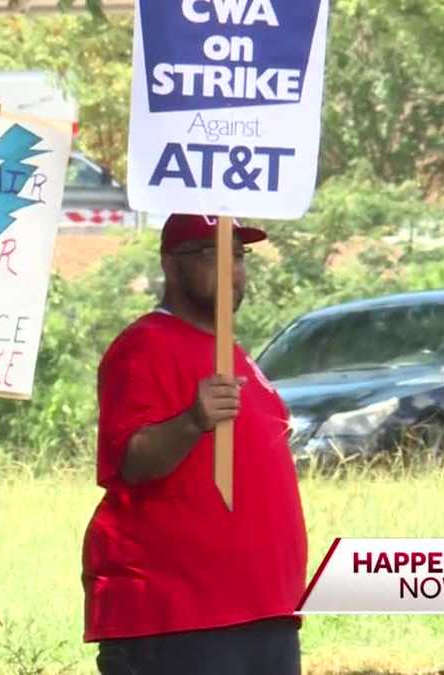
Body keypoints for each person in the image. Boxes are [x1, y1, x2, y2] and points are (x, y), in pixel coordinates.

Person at [82, 213, 308, 675]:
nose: (230, 269)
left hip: (265, 612)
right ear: (169, 264)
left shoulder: (232, 351)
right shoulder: (144, 345)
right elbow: (131, 463)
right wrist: (192, 421)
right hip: (181, 620)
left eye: (239, 255)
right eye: (211, 254)